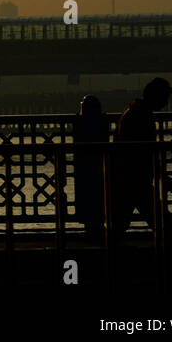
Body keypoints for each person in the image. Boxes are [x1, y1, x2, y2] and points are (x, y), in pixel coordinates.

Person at [112, 77, 172, 238]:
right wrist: (160, 173)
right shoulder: (142, 116)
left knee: (119, 223)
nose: (166, 102)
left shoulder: (133, 111)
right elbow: (144, 150)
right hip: (135, 178)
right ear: (157, 97)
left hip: (126, 177)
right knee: (161, 222)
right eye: (164, 98)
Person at [71, 94, 110, 239]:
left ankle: (90, 226)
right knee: (99, 193)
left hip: (84, 166)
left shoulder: (79, 123)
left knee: (86, 193)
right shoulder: (101, 123)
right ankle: (100, 226)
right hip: (99, 165)